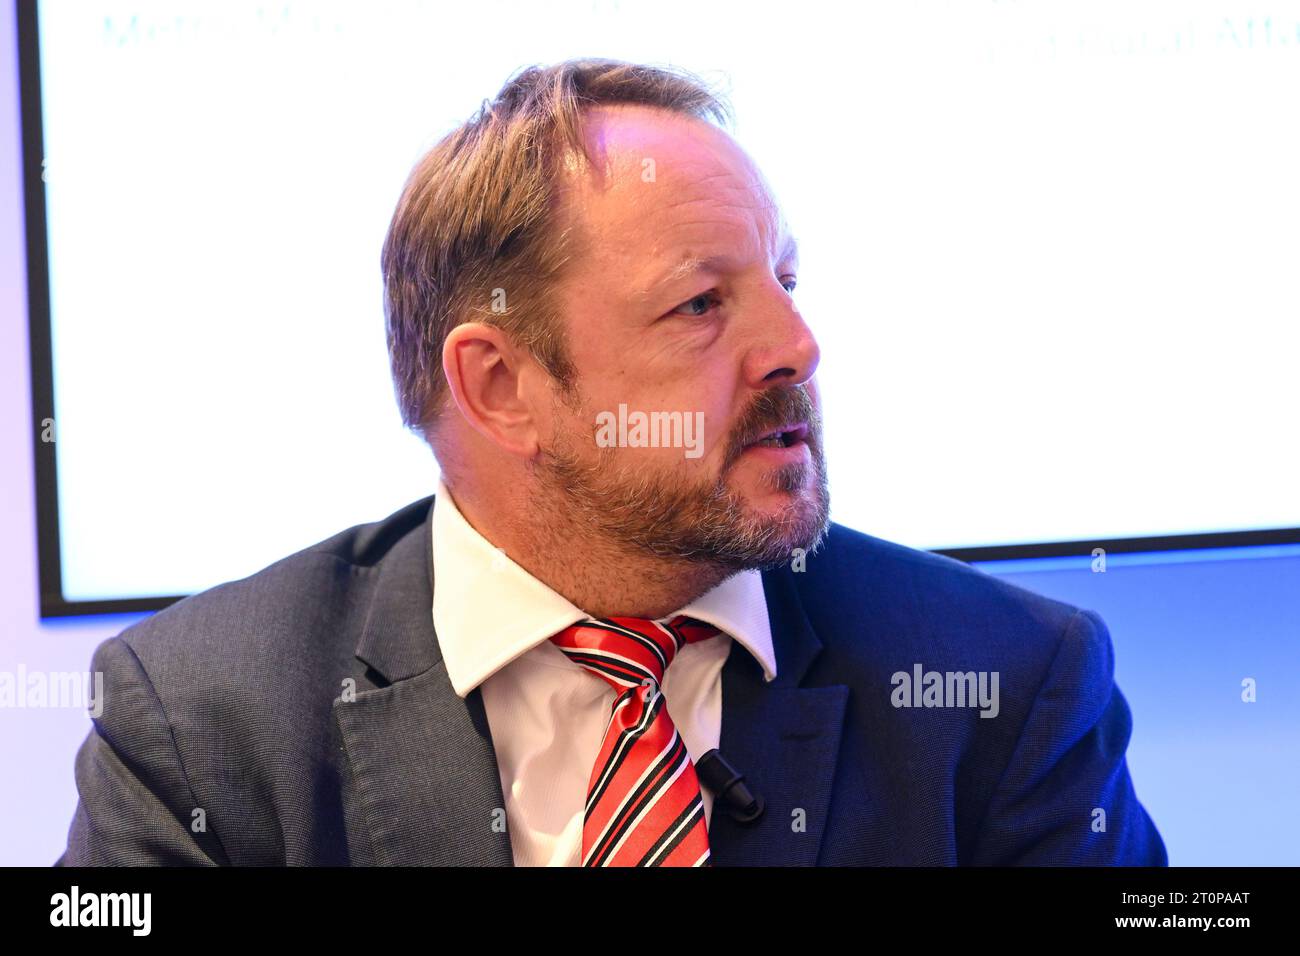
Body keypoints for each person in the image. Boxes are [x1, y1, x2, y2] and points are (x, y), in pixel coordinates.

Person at [58, 58, 1166, 866]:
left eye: (786, 279)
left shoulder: (1004, 684)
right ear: (501, 385)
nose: (795, 347)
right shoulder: (208, 722)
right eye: (700, 305)